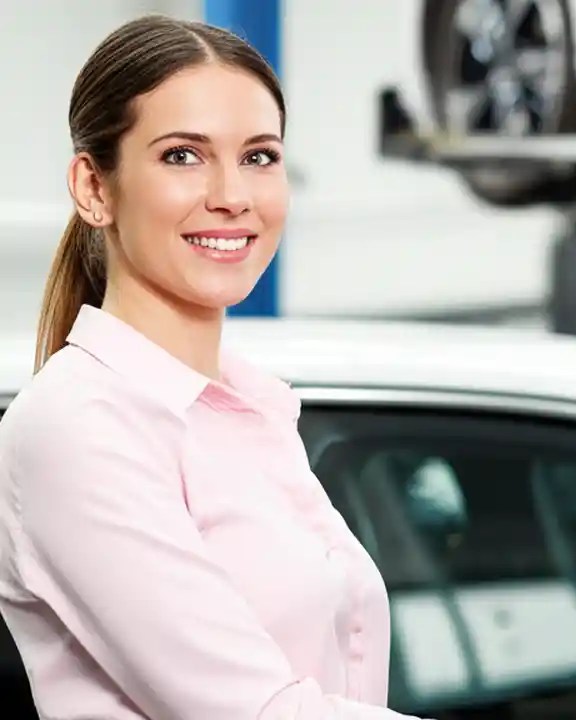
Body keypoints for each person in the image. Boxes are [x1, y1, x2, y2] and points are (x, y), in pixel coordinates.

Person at [0, 15, 423, 718]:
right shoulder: (76, 428)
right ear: (93, 187)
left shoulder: (248, 407)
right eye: (182, 156)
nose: (233, 195)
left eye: (259, 156)